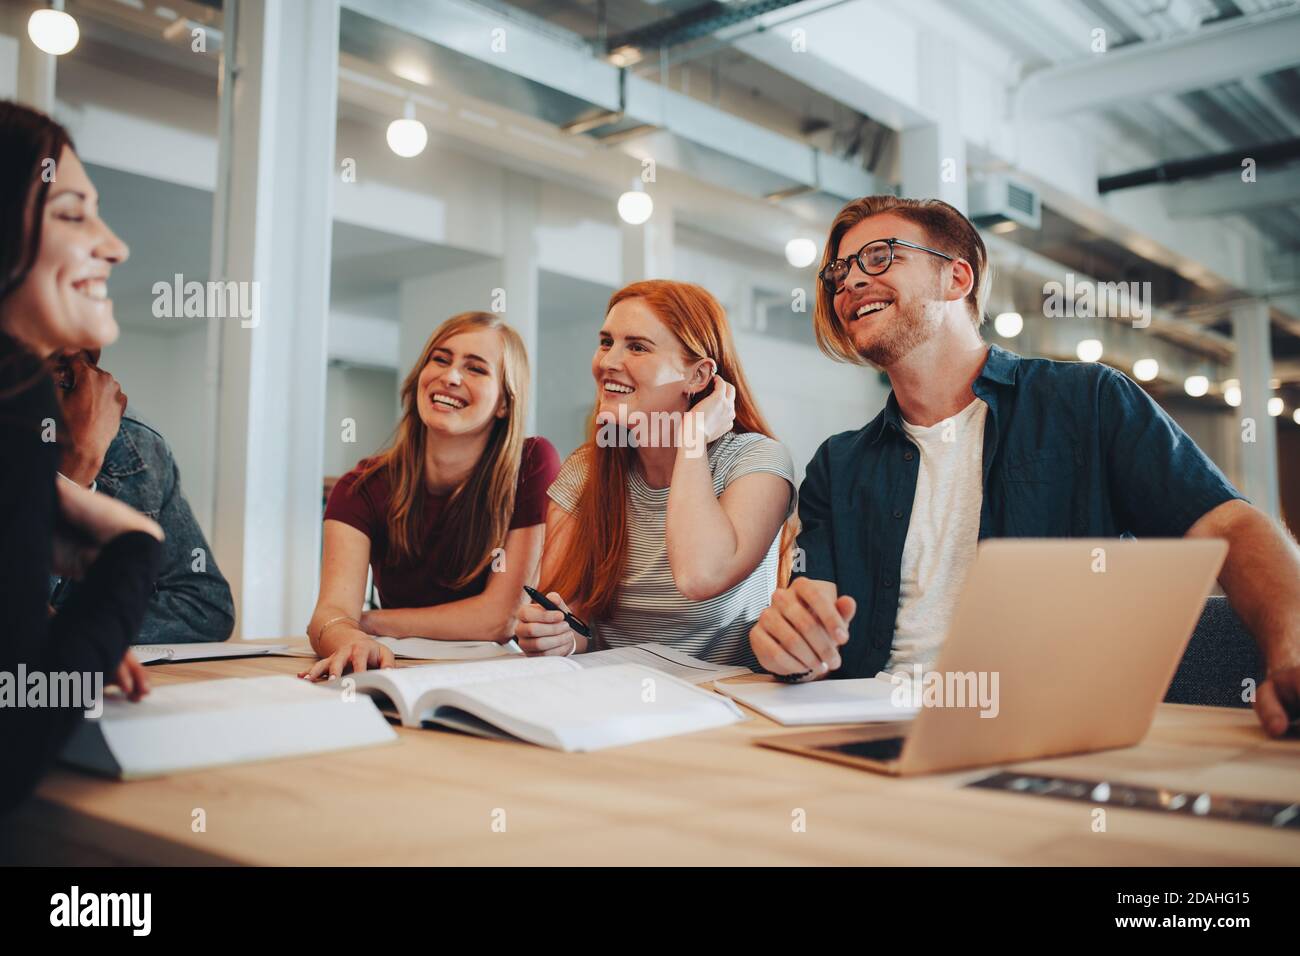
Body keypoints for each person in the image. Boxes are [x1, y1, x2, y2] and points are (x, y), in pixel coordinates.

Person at [748, 194, 1300, 738]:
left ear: (956, 278)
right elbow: (810, 625)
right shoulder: (836, 465)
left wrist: (1291, 654)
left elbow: (1228, 526)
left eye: (879, 256)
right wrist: (793, 644)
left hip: (1048, 731)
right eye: (839, 272)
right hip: (871, 732)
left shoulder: (1087, 403)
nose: (849, 282)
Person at [1, 102, 163, 811]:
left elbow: (207, 604)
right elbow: (14, 747)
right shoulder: (16, 398)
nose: (114, 245)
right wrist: (132, 548)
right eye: (72, 214)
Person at [514, 280, 796, 667]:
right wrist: (554, 637)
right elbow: (572, 623)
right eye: (606, 342)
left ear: (698, 377)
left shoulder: (756, 463)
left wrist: (692, 440)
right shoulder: (586, 472)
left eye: (637, 347)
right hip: (612, 699)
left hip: (728, 702)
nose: (608, 362)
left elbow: (699, 575)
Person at [303, 312, 560, 680]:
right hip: (397, 672)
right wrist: (349, 637)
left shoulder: (532, 463)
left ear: (504, 402)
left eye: (476, 369)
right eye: (440, 359)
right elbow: (329, 615)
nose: (450, 376)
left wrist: (367, 622)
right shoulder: (359, 488)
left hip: (491, 676)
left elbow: (500, 618)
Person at [47, 348, 235, 643]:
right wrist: (75, 472)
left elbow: (204, 606)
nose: (74, 346)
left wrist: (85, 631)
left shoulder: (135, 443)